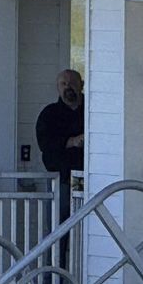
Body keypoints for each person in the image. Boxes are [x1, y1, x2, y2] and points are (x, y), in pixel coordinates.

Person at [36, 69, 85, 225]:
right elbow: (45, 144)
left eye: (72, 83)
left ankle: (80, 250)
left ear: (81, 85)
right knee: (59, 222)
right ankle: (57, 250)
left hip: (85, 177)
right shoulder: (49, 114)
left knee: (84, 220)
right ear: (58, 88)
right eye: (63, 84)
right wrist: (71, 141)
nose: (68, 87)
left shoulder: (93, 110)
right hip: (60, 178)